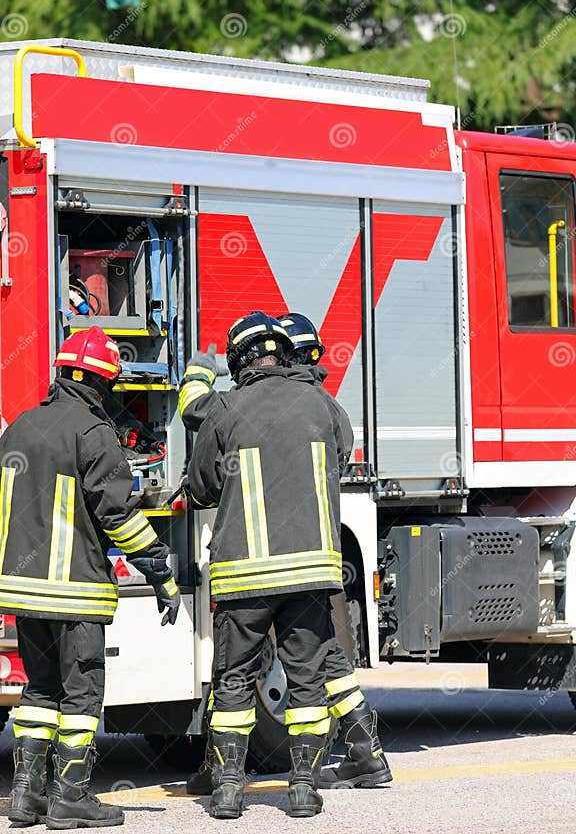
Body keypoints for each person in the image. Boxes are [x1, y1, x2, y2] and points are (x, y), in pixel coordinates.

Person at [180, 313, 392, 792]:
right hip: (314, 568)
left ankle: (226, 785)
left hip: (246, 575)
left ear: (239, 360)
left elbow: (202, 482)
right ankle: (308, 784)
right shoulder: (323, 405)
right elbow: (336, 459)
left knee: (233, 676)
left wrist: (197, 367)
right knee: (314, 674)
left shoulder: (229, 407)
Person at [0, 327, 181, 829]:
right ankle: (71, 797)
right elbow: (119, 516)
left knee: (40, 693)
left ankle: (26, 798)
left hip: (22, 591)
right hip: (74, 591)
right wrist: (160, 569)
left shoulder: (19, 427)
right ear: (103, 384)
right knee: (81, 696)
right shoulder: (92, 433)